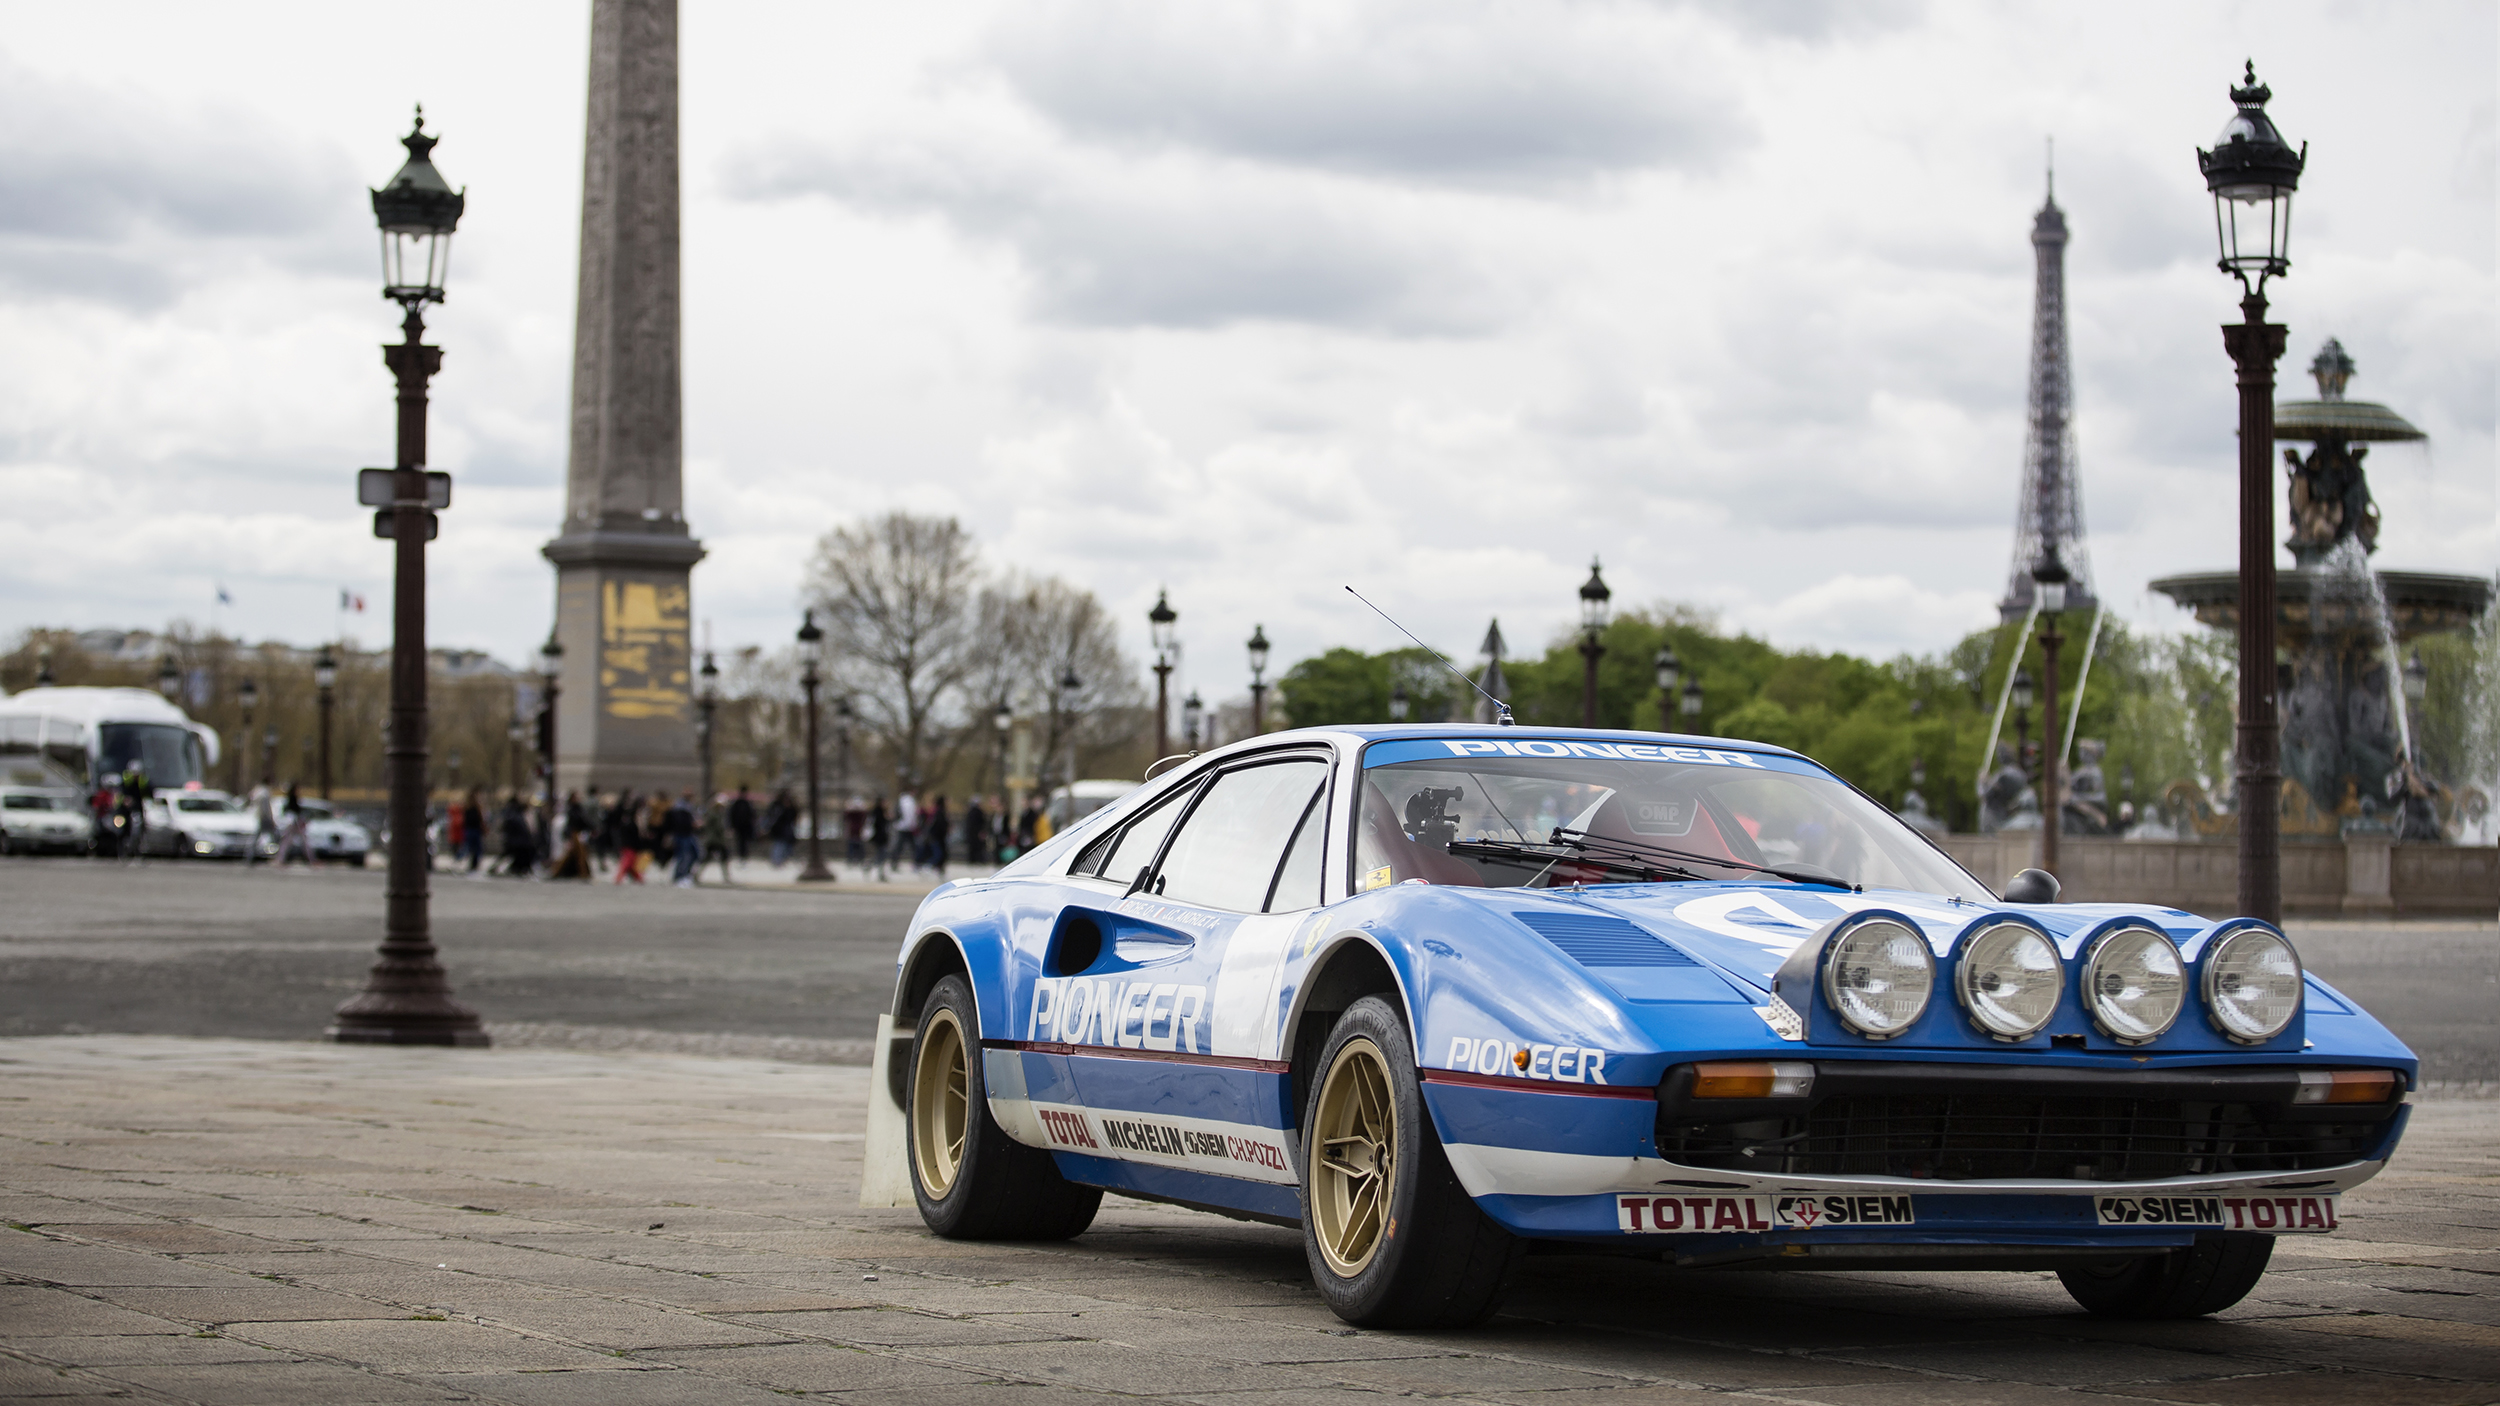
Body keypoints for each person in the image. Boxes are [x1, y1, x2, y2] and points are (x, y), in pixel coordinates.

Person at [611, 789, 646, 884]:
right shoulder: (627, 813)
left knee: (631, 860)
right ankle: (619, 877)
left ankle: (638, 878)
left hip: (630, 839)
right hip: (629, 840)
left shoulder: (629, 814)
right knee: (628, 859)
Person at [498, 795, 537, 876]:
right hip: (518, 842)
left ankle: (517, 868)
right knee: (523, 853)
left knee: (518, 855)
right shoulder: (515, 815)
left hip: (518, 841)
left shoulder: (512, 814)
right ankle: (517, 868)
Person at [277, 783, 313, 867]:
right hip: (294, 821)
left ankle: (280, 859)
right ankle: (311, 859)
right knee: (300, 840)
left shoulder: (290, 798)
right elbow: (295, 810)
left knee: (287, 841)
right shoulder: (292, 798)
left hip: (293, 821)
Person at [702, 798, 733, 885]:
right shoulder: (716, 815)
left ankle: (697, 875)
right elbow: (719, 828)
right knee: (722, 858)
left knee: (707, 858)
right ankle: (726, 877)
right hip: (716, 840)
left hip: (714, 840)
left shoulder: (713, 814)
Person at [765, 789, 797, 867]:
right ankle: (777, 861)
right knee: (779, 845)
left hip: (785, 829)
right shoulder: (778, 806)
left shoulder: (786, 806)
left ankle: (780, 860)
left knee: (783, 845)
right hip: (780, 829)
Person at [460, 789, 487, 873]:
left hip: (471, 829)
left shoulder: (468, 807)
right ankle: (473, 864)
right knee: (474, 848)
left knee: (470, 847)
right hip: (474, 829)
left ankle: (467, 862)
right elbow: (481, 819)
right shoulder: (476, 807)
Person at [893, 790, 920, 872]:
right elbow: (912, 815)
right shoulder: (910, 801)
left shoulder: (901, 801)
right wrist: (913, 825)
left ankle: (894, 863)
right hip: (908, 828)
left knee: (899, 847)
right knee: (913, 847)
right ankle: (915, 864)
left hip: (901, 827)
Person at [728, 785, 757, 863]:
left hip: (746, 826)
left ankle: (744, 856)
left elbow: (753, 815)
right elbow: (732, 815)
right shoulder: (737, 803)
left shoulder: (748, 803)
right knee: (740, 842)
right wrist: (732, 826)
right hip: (739, 826)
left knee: (745, 842)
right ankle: (741, 856)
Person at [924, 795, 951, 875]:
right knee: (938, 853)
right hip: (937, 836)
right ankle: (928, 866)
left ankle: (939, 869)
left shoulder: (940, 811)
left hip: (939, 836)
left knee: (941, 853)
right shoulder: (939, 812)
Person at [867, 795, 892, 882]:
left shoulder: (882, 811)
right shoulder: (878, 812)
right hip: (879, 837)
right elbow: (878, 825)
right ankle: (873, 869)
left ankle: (876, 870)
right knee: (881, 856)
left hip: (881, 837)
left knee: (881, 855)